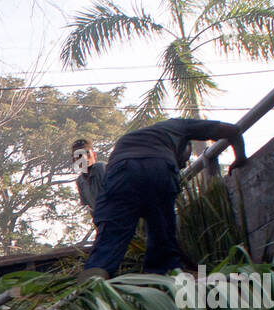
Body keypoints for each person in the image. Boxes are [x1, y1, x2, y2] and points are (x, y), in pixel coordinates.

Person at [82, 118, 247, 277]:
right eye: (182, 162)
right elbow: (232, 130)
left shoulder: (130, 139)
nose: (181, 166)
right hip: (157, 167)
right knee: (162, 243)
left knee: (107, 243)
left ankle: (91, 286)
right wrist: (240, 158)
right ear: (183, 148)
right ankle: (161, 277)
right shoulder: (179, 126)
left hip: (118, 175)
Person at [71, 138, 106, 221]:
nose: (84, 158)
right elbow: (91, 208)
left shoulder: (100, 167)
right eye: (79, 156)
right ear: (74, 160)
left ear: (94, 154)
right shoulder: (80, 181)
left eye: (87, 153)